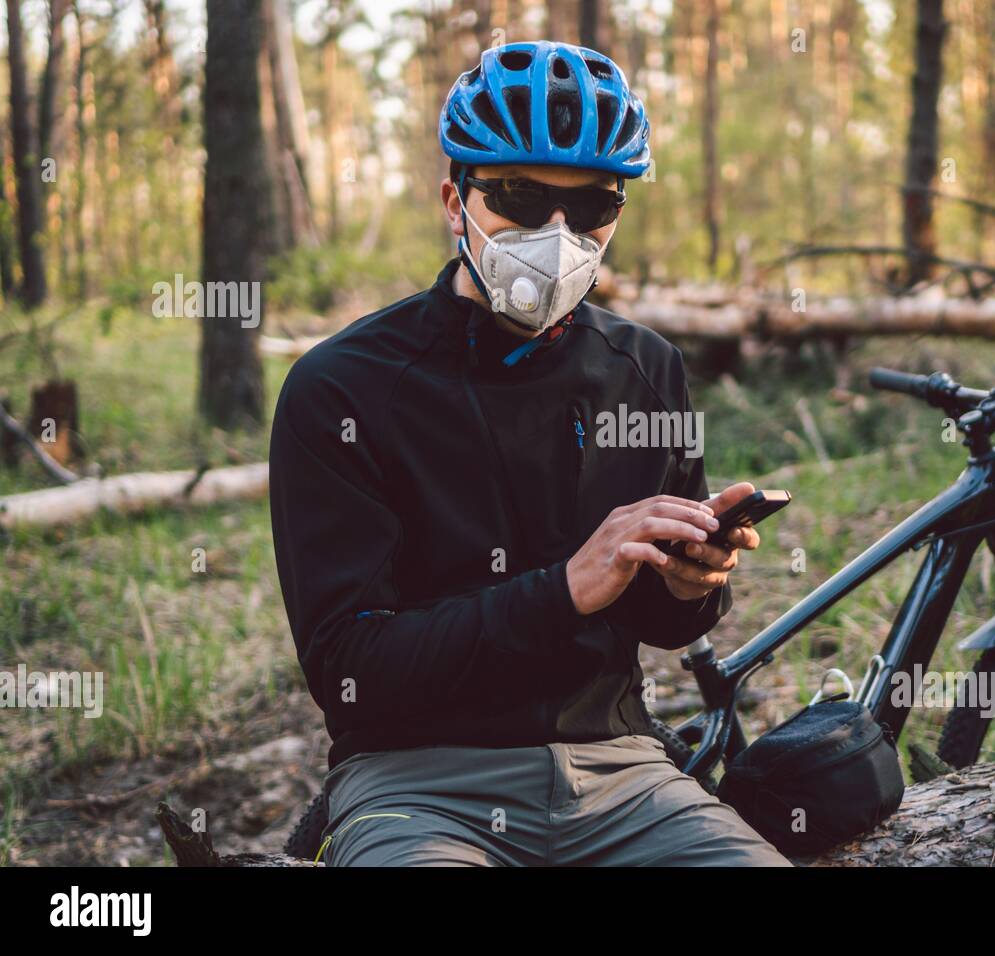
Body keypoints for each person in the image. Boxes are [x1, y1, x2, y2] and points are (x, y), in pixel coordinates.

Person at [268, 40, 790, 867]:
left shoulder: (647, 371)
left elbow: (661, 623)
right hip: (415, 788)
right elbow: (346, 670)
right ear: (455, 198)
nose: (557, 233)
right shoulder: (342, 390)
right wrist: (564, 589)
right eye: (519, 195)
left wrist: (692, 584)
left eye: (590, 208)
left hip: (623, 774)